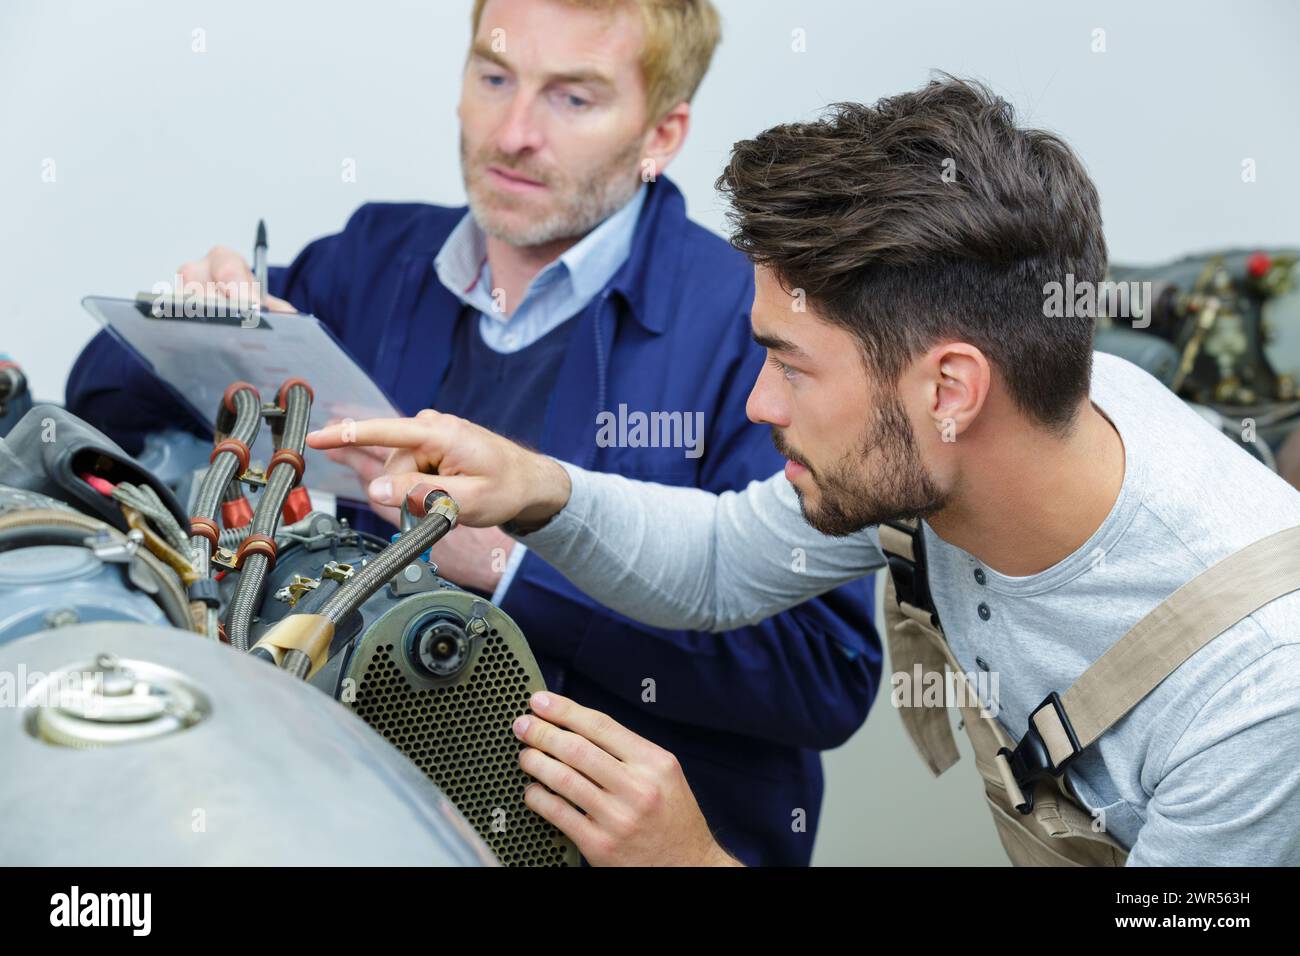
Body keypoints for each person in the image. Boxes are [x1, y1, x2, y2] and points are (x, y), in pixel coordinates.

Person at [308, 77, 1300, 866]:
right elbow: (717, 563)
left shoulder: (1257, 697)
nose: (757, 406)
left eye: (789, 364)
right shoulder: (984, 435)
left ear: (949, 389)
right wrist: (537, 487)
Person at [63, 0, 879, 866]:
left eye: (574, 98)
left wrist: (510, 565)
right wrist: (194, 331)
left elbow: (824, 673)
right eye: (495, 78)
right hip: (360, 822)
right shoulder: (370, 260)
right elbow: (100, 406)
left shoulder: (751, 329)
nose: (514, 132)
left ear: (661, 134)